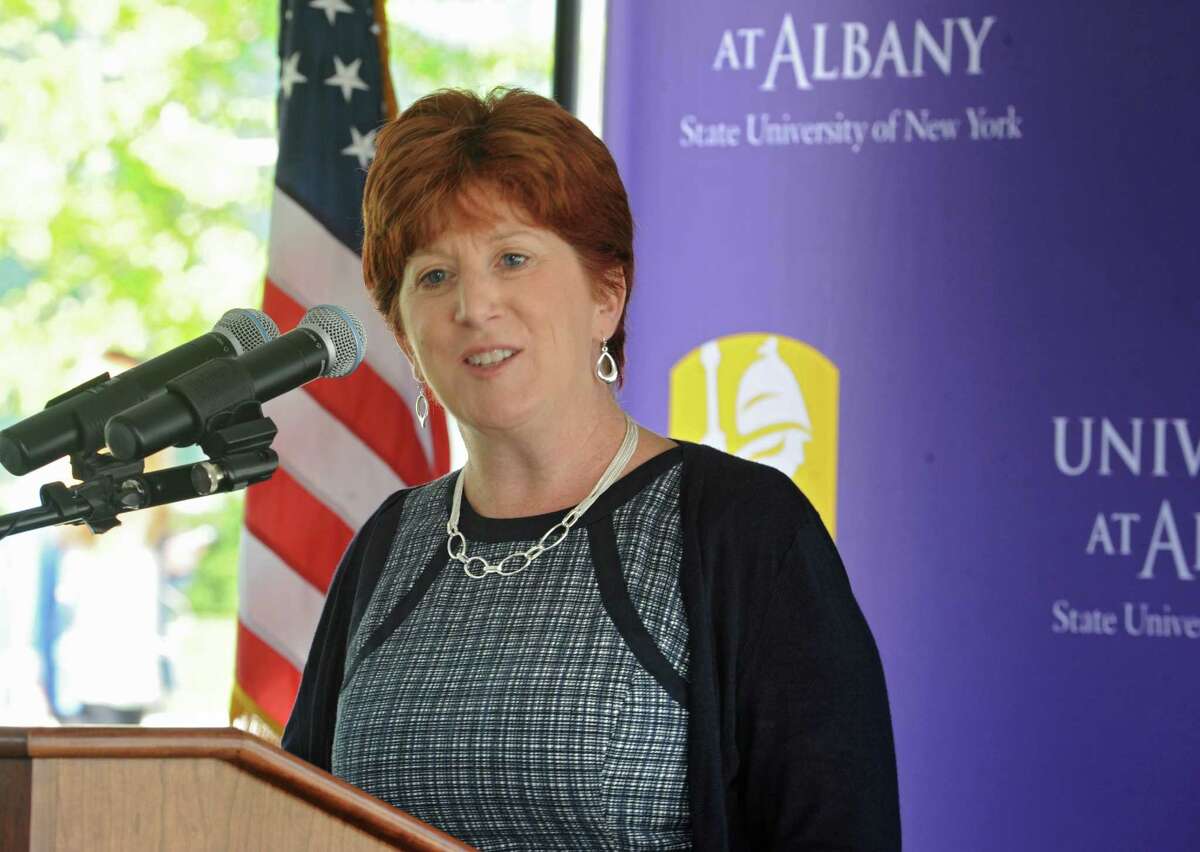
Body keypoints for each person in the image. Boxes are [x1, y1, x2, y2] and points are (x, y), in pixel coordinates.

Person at [282, 88, 900, 851]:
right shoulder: (388, 544)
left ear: (607, 294)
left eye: (512, 258)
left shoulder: (741, 528)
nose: (475, 305)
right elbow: (292, 823)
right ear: (404, 335)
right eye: (434, 276)